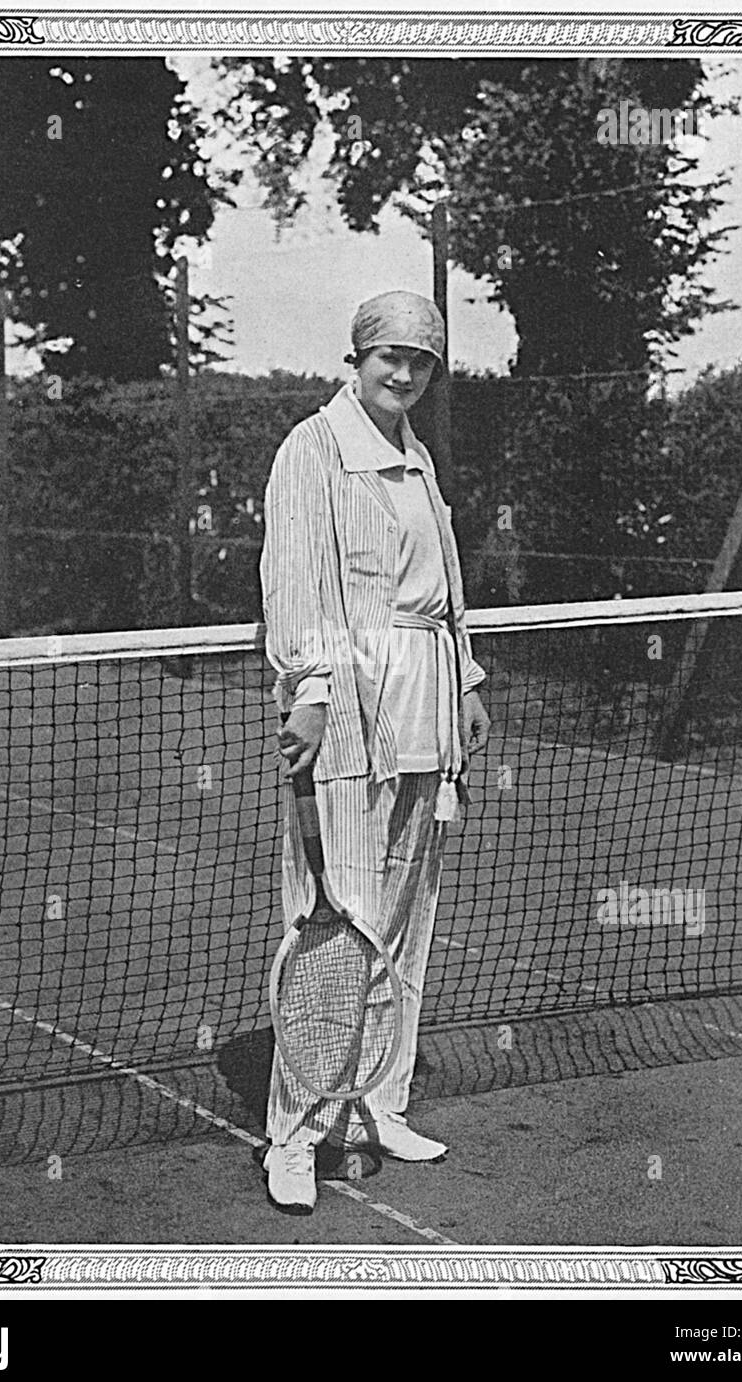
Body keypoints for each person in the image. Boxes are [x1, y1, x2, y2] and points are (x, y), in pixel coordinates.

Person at [259, 290, 491, 1213]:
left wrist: (465, 680)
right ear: (355, 358)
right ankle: (297, 1133)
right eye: (389, 355)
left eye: (421, 361)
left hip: (426, 697)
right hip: (349, 706)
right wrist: (310, 693)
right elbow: (295, 579)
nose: (404, 373)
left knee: (403, 915)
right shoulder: (310, 451)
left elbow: (449, 584)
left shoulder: (418, 455)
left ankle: (379, 1102)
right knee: (333, 920)